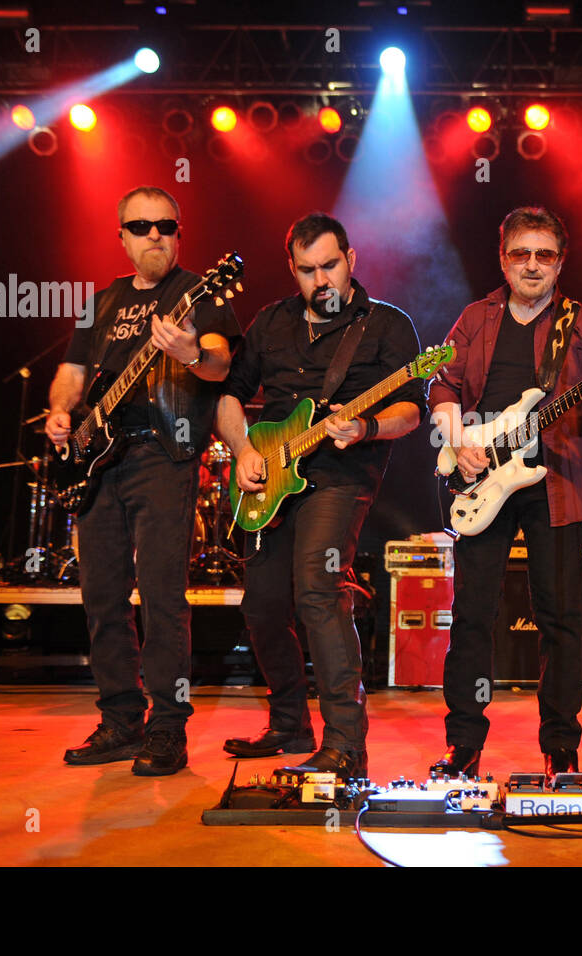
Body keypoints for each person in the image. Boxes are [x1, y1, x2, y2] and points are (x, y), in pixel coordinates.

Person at [217, 212, 426, 780]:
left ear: (351, 260)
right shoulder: (270, 322)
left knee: (317, 588)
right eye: (308, 270)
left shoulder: (386, 326)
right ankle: (288, 723)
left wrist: (365, 428)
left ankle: (345, 746)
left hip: (340, 475)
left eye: (330, 265)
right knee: (261, 604)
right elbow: (228, 396)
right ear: (293, 270)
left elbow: (411, 408)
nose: (321, 279)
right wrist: (242, 451)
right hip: (272, 477)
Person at [429, 206, 582, 781]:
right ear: (503, 258)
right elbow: (440, 384)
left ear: (561, 261)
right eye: (521, 253)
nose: (533, 265)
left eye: (545, 254)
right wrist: (457, 438)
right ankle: (463, 745)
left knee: (562, 619)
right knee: (471, 615)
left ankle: (561, 748)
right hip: (481, 478)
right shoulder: (475, 317)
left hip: (559, 483)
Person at [49, 185, 240, 775]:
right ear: (122, 237)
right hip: (97, 461)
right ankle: (119, 721)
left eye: (165, 225)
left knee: (162, 598)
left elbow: (220, 362)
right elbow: (71, 374)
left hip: (163, 455)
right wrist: (61, 413)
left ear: (179, 234)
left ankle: (167, 728)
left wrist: (188, 354)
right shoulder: (100, 304)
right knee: (102, 597)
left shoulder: (198, 294)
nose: (154, 234)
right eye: (141, 225)